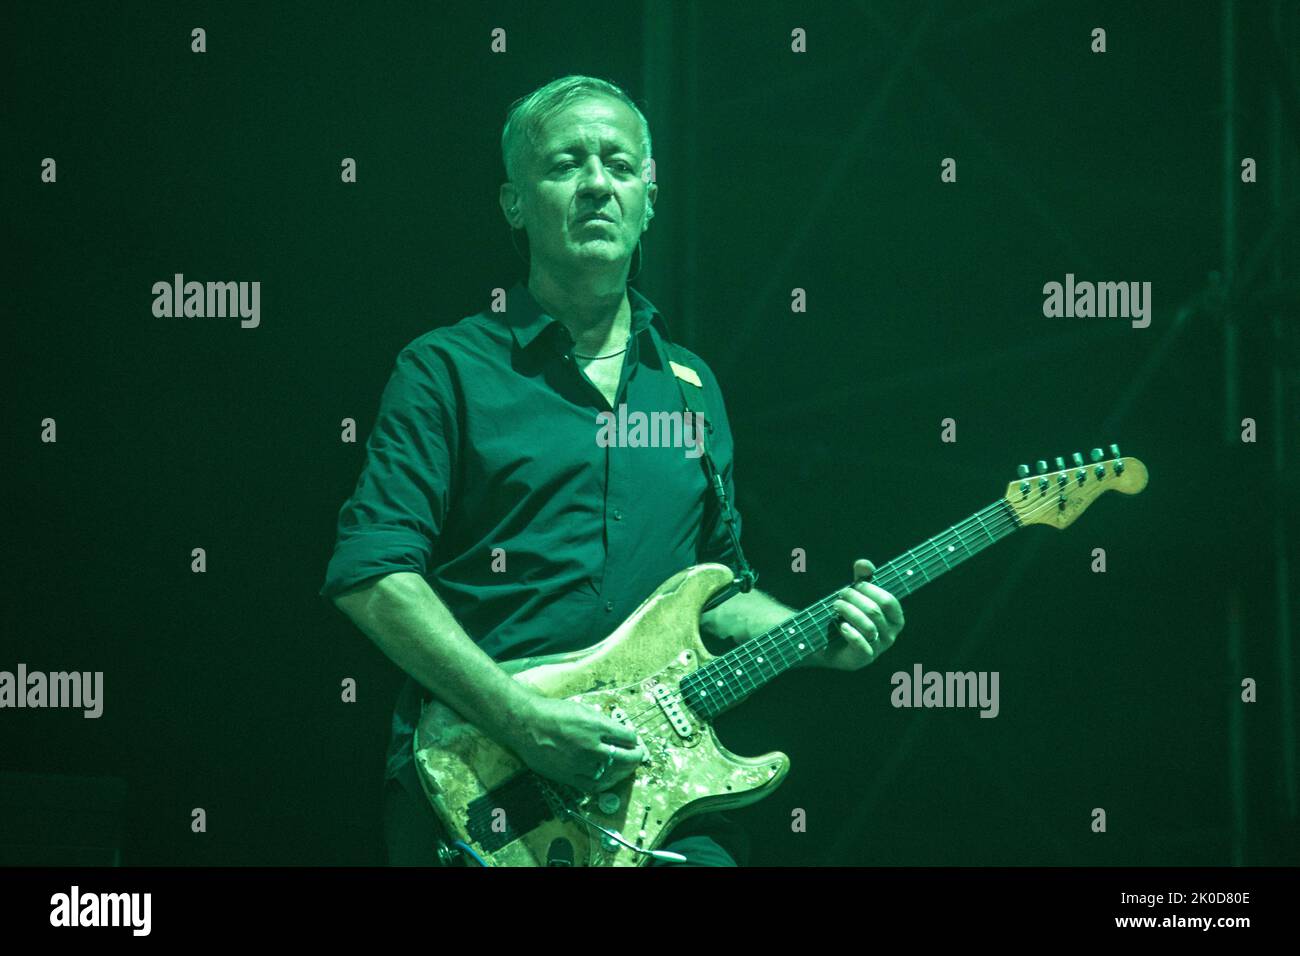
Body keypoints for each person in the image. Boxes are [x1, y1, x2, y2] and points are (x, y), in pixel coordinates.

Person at [320, 74, 904, 867]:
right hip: (482, 786)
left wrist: (817, 636)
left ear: (650, 199)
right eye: (567, 164)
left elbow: (716, 589)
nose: (598, 182)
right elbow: (373, 575)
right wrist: (524, 718)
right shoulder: (447, 370)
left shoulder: (690, 387)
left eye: (621, 166)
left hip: (653, 793)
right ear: (513, 203)